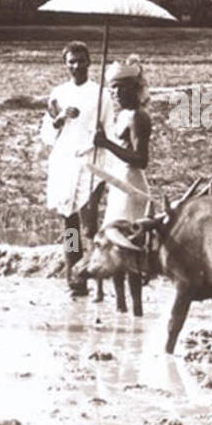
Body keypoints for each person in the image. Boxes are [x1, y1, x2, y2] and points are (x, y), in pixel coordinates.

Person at [40, 41, 105, 296]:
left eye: (81, 60)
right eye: (71, 62)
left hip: (90, 161)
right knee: (70, 224)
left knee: (90, 226)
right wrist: (59, 119)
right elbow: (47, 134)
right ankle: (75, 278)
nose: (77, 66)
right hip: (65, 162)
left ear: (89, 62)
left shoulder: (101, 94)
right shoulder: (58, 93)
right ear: (65, 65)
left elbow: (107, 129)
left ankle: (98, 279)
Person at [93, 57, 152, 315]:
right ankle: (116, 304)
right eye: (113, 88)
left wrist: (106, 143)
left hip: (130, 186)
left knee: (127, 246)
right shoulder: (121, 116)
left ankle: (135, 308)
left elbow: (141, 159)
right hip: (117, 184)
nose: (116, 93)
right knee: (100, 239)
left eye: (122, 87)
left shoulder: (138, 117)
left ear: (135, 87)